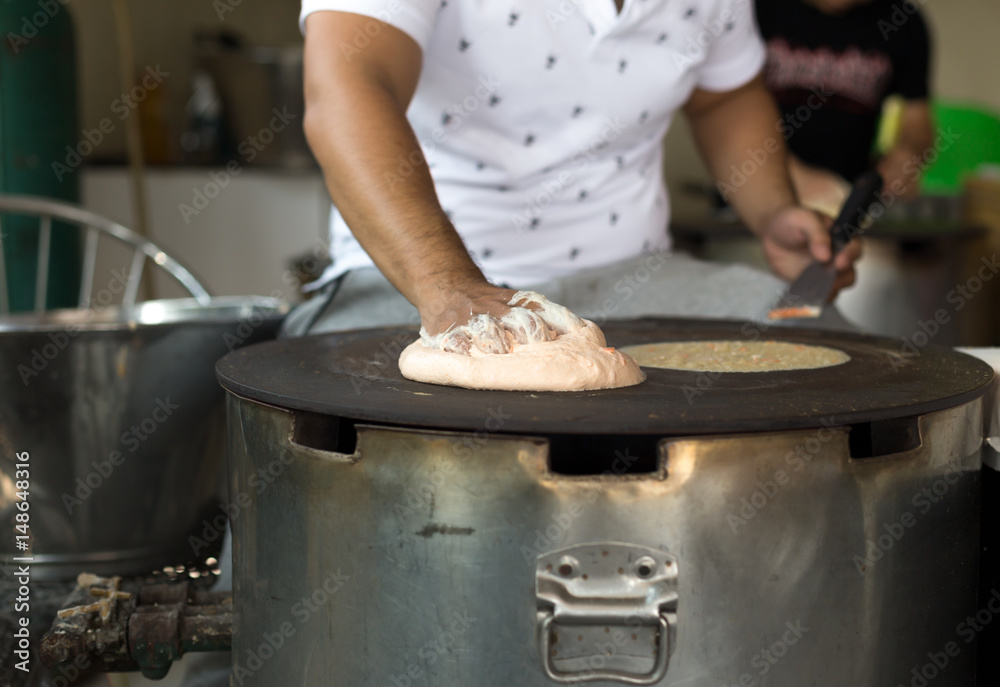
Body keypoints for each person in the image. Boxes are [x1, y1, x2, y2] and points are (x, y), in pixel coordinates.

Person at [283, 0, 863, 344]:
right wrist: (446, 285)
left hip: (637, 276)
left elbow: (723, 98)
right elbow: (348, 88)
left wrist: (772, 210)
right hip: (409, 282)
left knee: (830, 353)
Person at [755, 0, 935, 212]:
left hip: (850, 206)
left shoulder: (902, 18)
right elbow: (729, 113)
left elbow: (918, 122)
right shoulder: (757, 8)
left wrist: (909, 153)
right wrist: (788, 175)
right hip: (754, 200)